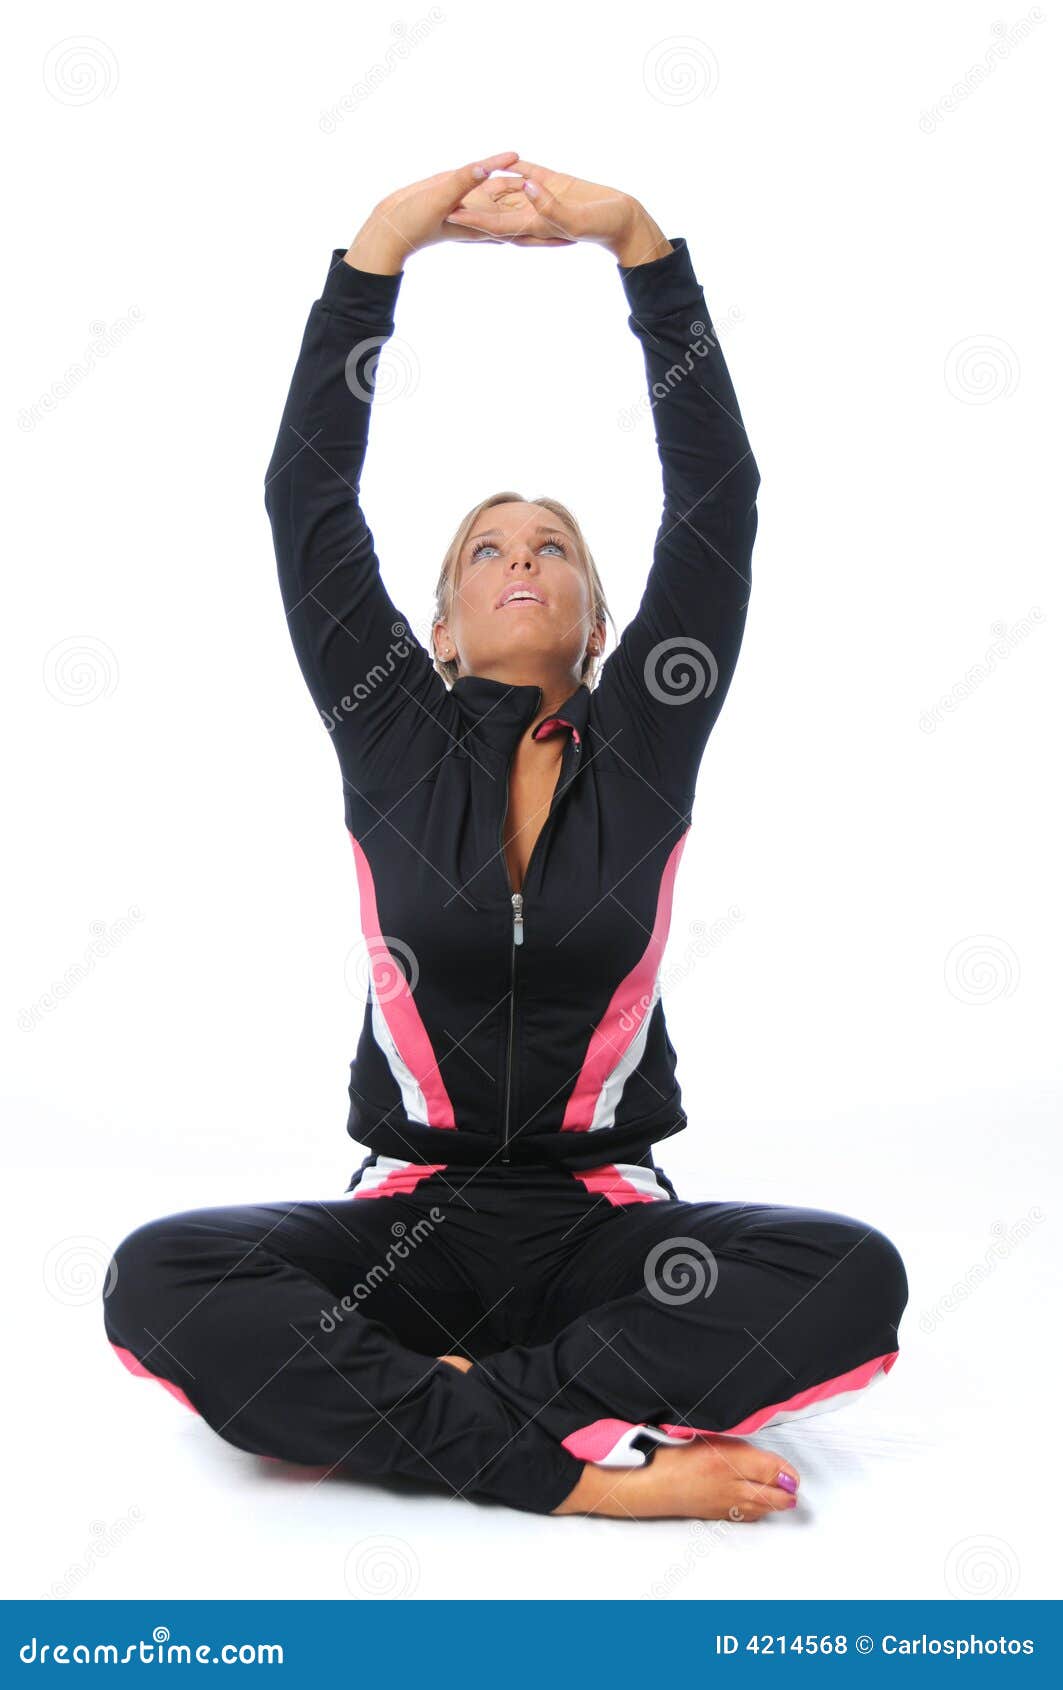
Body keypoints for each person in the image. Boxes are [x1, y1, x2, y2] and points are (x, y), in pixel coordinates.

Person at [102, 153, 908, 1521]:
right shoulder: (388, 726)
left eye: (553, 546)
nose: (522, 557)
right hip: (406, 1220)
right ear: (437, 627)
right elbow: (307, 504)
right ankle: (576, 1460)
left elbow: (721, 505)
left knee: (854, 1272)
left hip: (604, 1226)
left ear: (602, 625)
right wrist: (378, 255)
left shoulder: (651, 732)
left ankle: (443, 1404)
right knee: (157, 1274)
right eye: (486, 548)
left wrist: (642, 249)